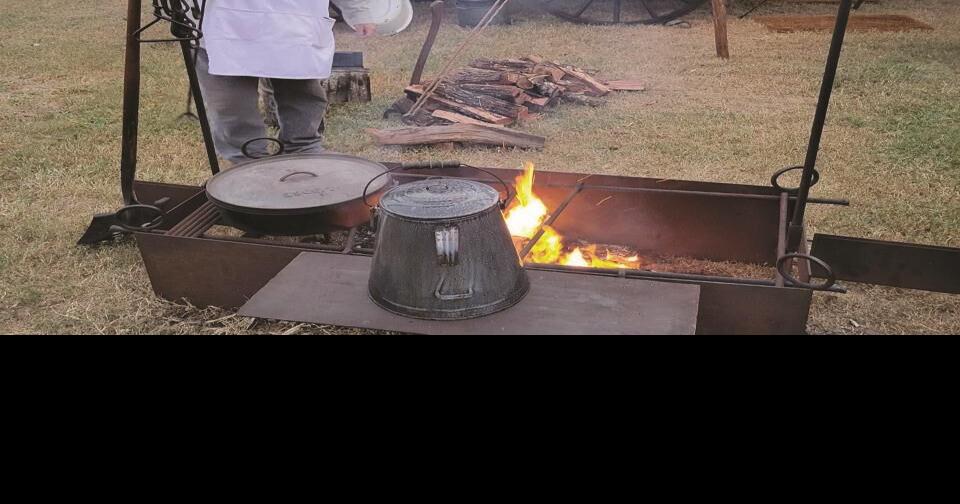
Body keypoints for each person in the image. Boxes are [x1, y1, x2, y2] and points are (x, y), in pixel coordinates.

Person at [195, 0, 379, 166]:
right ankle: (247, 161)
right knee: (232, 99)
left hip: (295, 15)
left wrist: (358, 10)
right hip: (226, 16)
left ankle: (303, 149)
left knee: (301, 88)